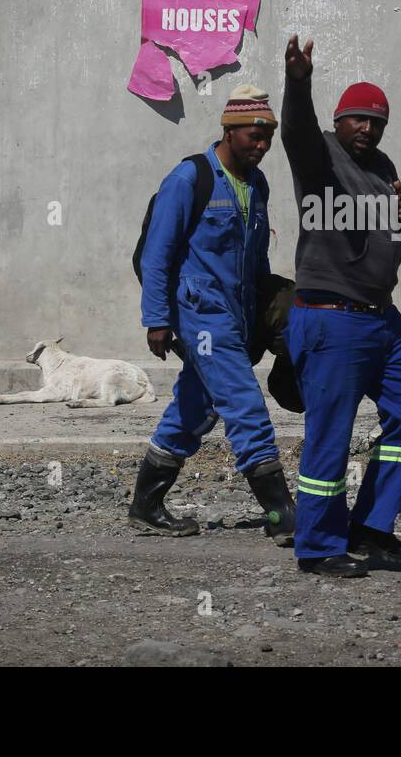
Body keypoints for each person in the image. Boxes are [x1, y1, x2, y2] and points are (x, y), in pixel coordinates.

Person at [281, 35, 401, 577]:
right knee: (332, 434)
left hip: (380, 317)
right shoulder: (319, 153)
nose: (367, 129)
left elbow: (394, 225)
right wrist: (298, 83)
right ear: (340, 121)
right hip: (330, 316)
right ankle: (318, 546)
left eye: (376, 122)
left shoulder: (381, 165)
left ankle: (370, 524)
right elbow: (296, 130)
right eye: (358, 120)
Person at [128, 85, 296, 546]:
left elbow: (255, 259)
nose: (261, 146)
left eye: (267, 138)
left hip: (237, 314)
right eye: (252, 136)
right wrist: (157, 319)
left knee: (196, 406)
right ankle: (282, 512)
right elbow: (158, 255)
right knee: (243, 401)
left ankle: (145, 504)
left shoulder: (257, 184)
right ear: (228, 129)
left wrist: (266, 315)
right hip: (199, 313)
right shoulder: (189, 179)